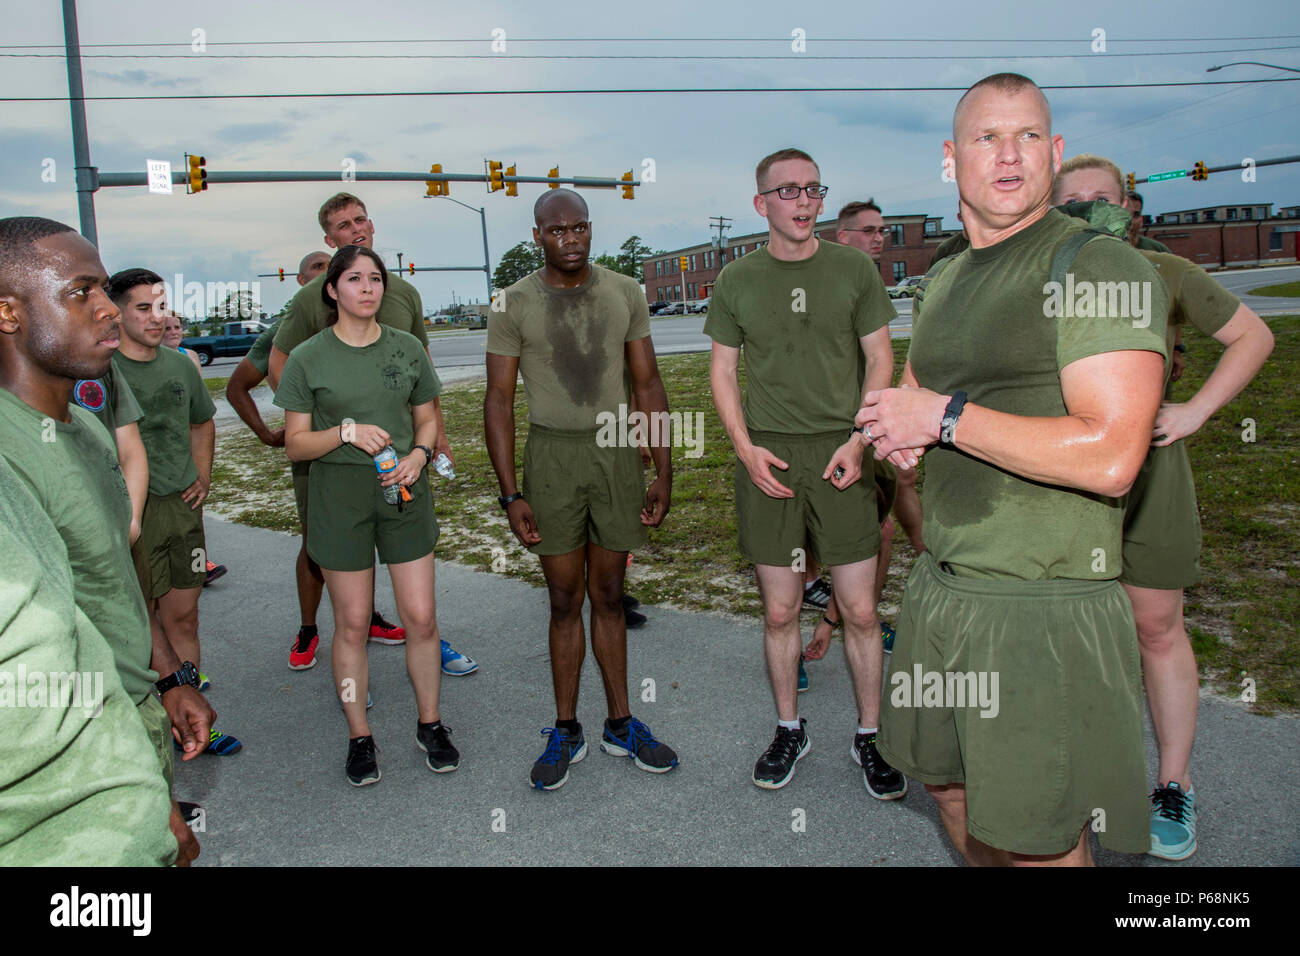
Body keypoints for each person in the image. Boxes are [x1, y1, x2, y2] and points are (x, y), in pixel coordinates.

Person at [860, 73, 1170, 865]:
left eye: (1028, 136)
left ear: (1055, 152)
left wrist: (946, 418)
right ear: (949, 157)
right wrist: (901, 429)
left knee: (1038, 838)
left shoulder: (1095, 266)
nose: (1008, 155)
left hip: (1041, 607)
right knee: (949, 785)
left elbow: (1111, 456)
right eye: (985, 137)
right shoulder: (951, 275)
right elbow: (935, 396)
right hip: (944, 586)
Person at [1053, 156, 1274, 861]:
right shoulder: (1035, 273)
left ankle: (1172, 785)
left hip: (1148, 471)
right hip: (1057, 471)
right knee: (1069, 635)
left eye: (1103, 199)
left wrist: (1197, 410)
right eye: (1073, 201)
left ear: (1130, 205)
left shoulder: (1163, 271)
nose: (1090, 210)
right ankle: (1078, 781)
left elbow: (1254, 336)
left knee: (1155, 627)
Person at [0, 216, 203, 863]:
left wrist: (169, 676)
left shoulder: (85, 431)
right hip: (80, 770)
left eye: (105, 291)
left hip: (134, 712)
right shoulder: (8, 455)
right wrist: (142, 802)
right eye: (79, 292)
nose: (107, 310)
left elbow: (114, 575)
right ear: (7, 314)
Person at [705, 149, 904, 798]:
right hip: (770, 461)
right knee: (781, 608)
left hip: (843, 457)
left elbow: (881, 360)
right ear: (761, 203)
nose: (802, 200)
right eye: (787, 191)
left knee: (860, 608)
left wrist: (859, 438)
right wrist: (744, 448)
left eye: (812, 189)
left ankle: (870, 738)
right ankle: (789, 727)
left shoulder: (852, 269)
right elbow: (723, 373)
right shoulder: (737, 279)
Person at [485, 188, 676, 791]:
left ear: (591, 230)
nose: (571, 239)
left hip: (617, 451)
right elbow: (498, 400)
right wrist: (511, 493)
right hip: (553, 458)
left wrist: (663, 470)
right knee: (565, 599)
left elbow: (648, 384)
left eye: (580, 228)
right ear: (537, 236)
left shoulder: (624, 292)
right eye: (557, 230)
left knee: (611, 594)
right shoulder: (511, 301)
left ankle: (621, 722)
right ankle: (566, 727)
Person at [268, 195, 476, 675]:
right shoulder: (309, 299)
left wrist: (434, 438)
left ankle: (423, 642)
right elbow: (279, 364)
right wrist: (324, 418)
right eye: (343, 225)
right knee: (333, 565)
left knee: (416, 596)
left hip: (403, 461)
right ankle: (321, 636)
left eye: (361, 219)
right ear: (329, 242)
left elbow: (421, 373)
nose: (355, 229)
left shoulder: (401, 294)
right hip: (334, 459)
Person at [275, 244, 457, 786]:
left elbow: (426, 419)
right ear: (332, 290)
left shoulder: (407, 349)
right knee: (352, 624)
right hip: (339, 501)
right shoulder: (309, 356)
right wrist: (345, 433)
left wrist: (420, 457)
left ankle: (432, 724)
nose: (367, 288)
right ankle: (360, 735)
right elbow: (295, 445)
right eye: (354, 279)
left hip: (403, 496)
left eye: (375, 278)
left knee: (421, 618)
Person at [107, 268, 241, 756]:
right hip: (132, 513)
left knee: (183, 616)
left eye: (161, 306)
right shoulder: (100, 371)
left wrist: (202, 475)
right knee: (139, 619)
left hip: (183, 508)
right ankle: (151, 729)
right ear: (117, 311)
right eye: (143, 308)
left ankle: (193, 719)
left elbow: (203, 422)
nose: (157, 317)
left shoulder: (182, 364)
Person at [162, 308, 228, 586]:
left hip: (188, 439)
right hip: (164, 445)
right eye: (168, 328)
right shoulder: (149, 360)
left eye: (178, 327)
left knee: (192, 507)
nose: (175, 332)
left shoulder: (189, 357)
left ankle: (200, 564)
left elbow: (198, 405)